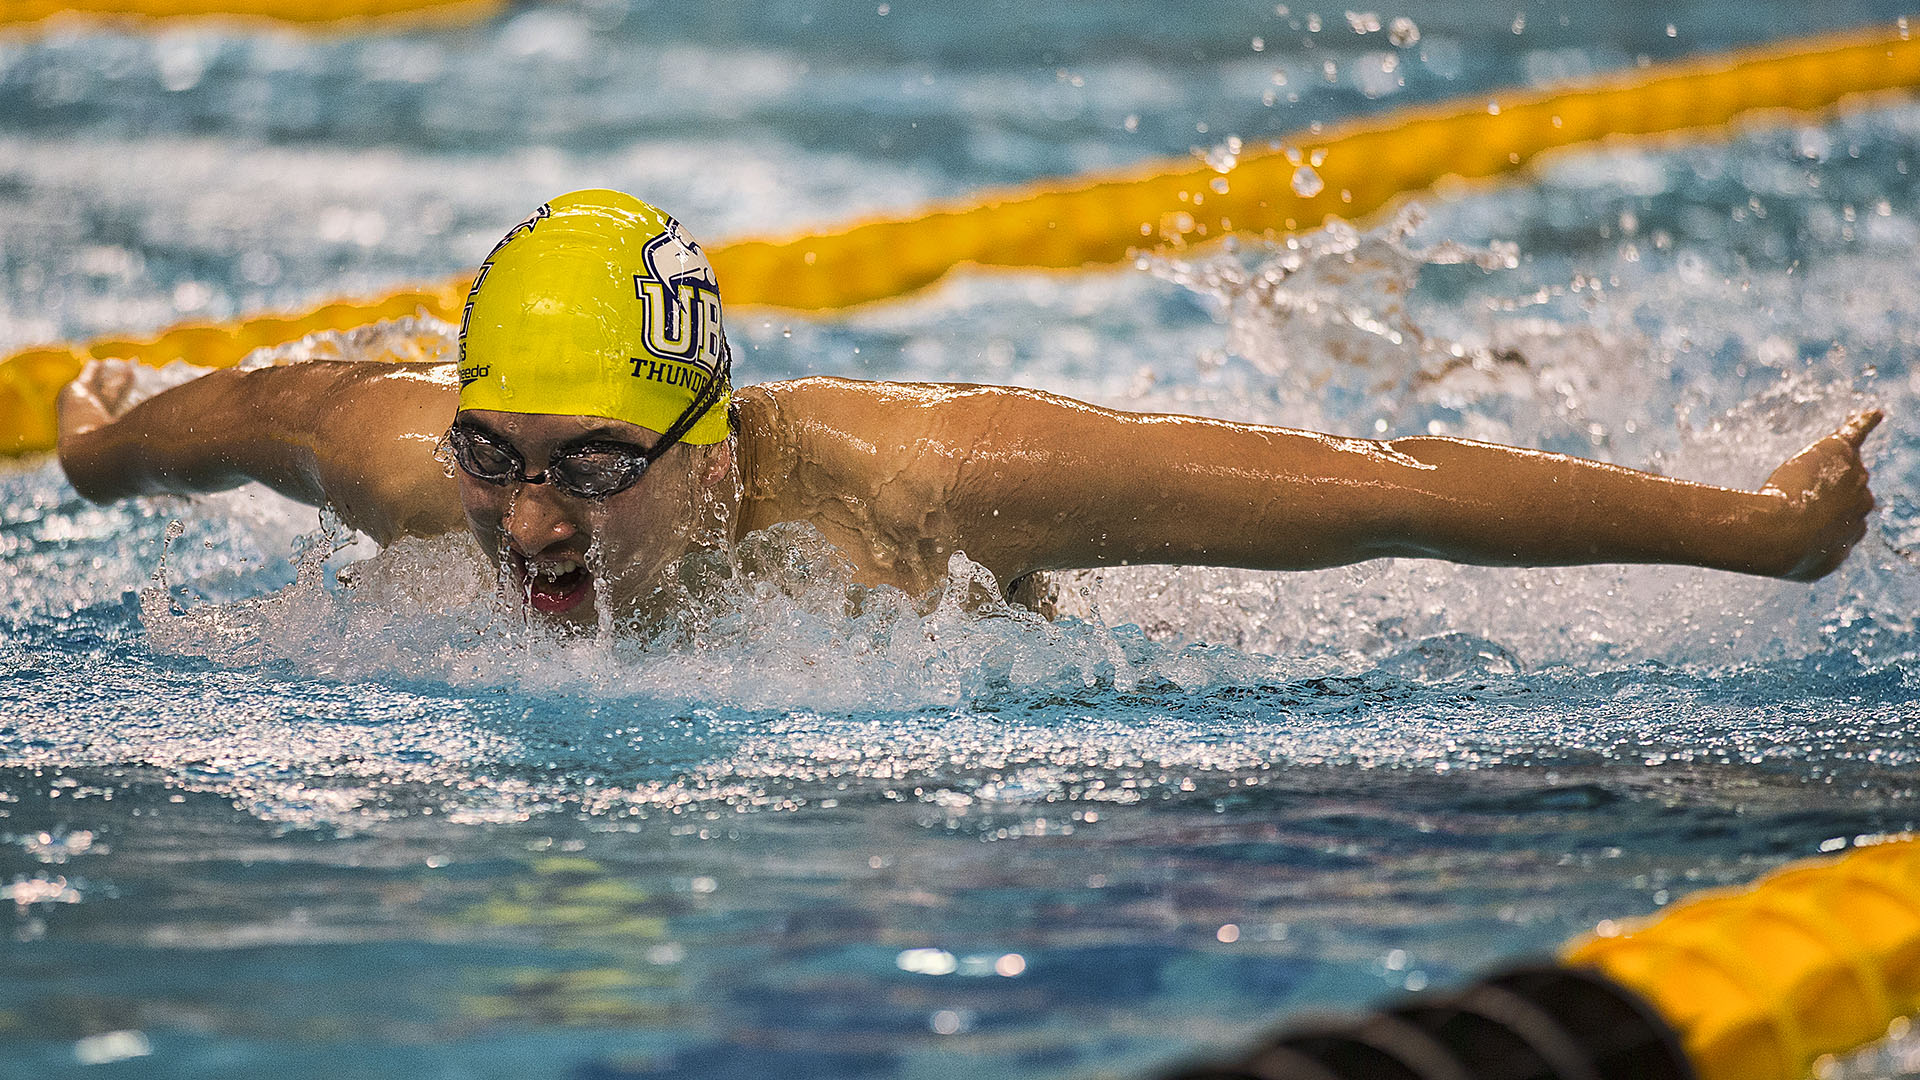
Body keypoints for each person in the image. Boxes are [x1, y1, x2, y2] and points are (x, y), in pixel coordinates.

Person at [56, 189, 1882, 629]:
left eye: (596, 470)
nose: (532, 527)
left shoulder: (922, 488)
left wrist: (1755, 530)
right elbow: (225, 418)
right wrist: (94, 435)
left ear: (709, 431)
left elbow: (1373, 493)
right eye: (501, 462)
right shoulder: (408, 456)